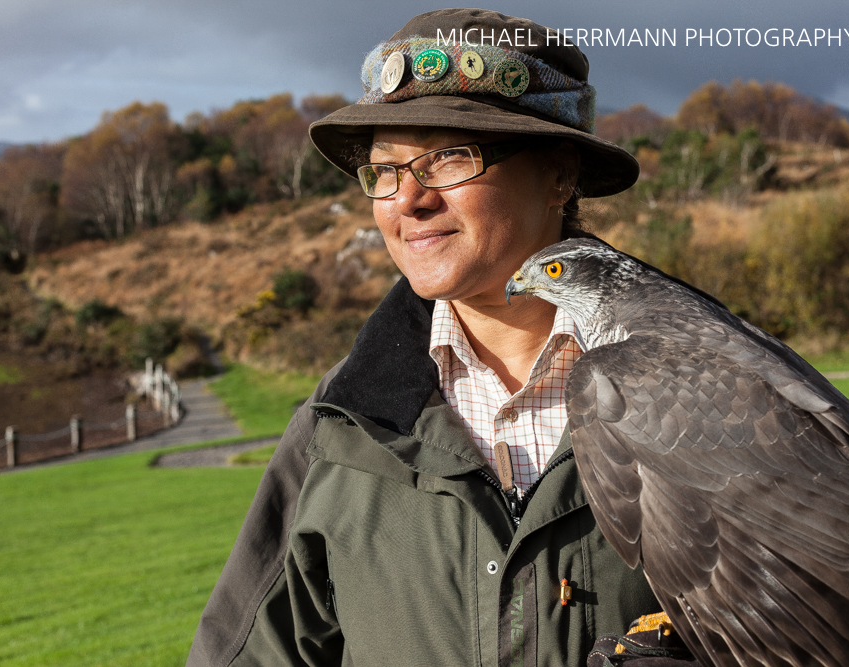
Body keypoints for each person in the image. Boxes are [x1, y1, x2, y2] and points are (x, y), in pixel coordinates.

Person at [187, 9, 694, 667]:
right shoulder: (338, 430)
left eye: (449, 157)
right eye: (386, 169)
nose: (407, 200)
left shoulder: (724, 402)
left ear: (561, 174)